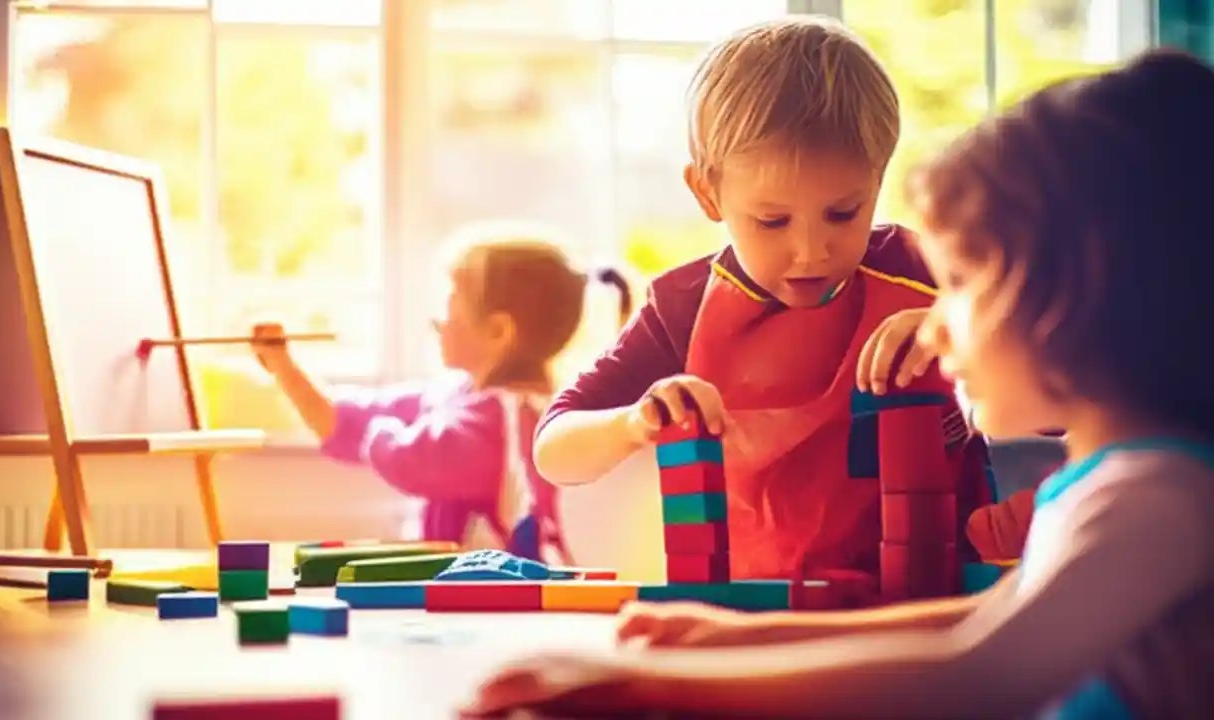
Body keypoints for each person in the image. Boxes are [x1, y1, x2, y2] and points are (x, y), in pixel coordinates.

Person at [461, 49, 1214, 719]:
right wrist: (738, 637)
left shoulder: (1158, 498)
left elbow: (979, 676)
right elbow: (978, 618)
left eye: (959, 288)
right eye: (774, 219)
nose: (937, 324)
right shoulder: (1126, 488)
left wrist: (651, 685)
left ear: (1070, 303)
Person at [532, 15, 993, 592]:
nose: (811, 251)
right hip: (756, 606)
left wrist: (957, 324)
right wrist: (634, 421)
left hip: (930, 602)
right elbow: (554, 448)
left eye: (843, 213)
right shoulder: (682, 308)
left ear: (877, 179)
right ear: (707, 193)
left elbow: (1057, 347)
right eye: (772, 220)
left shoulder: (922, 268)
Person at [252, 224, 631, 563]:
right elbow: (341, 420)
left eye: (450, 306)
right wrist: (284, 367)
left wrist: (381, 432)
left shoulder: (501, 422)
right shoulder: (461, 396)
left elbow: (411, 458)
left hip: (509, 604)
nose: (436, 321)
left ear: (499, 331)